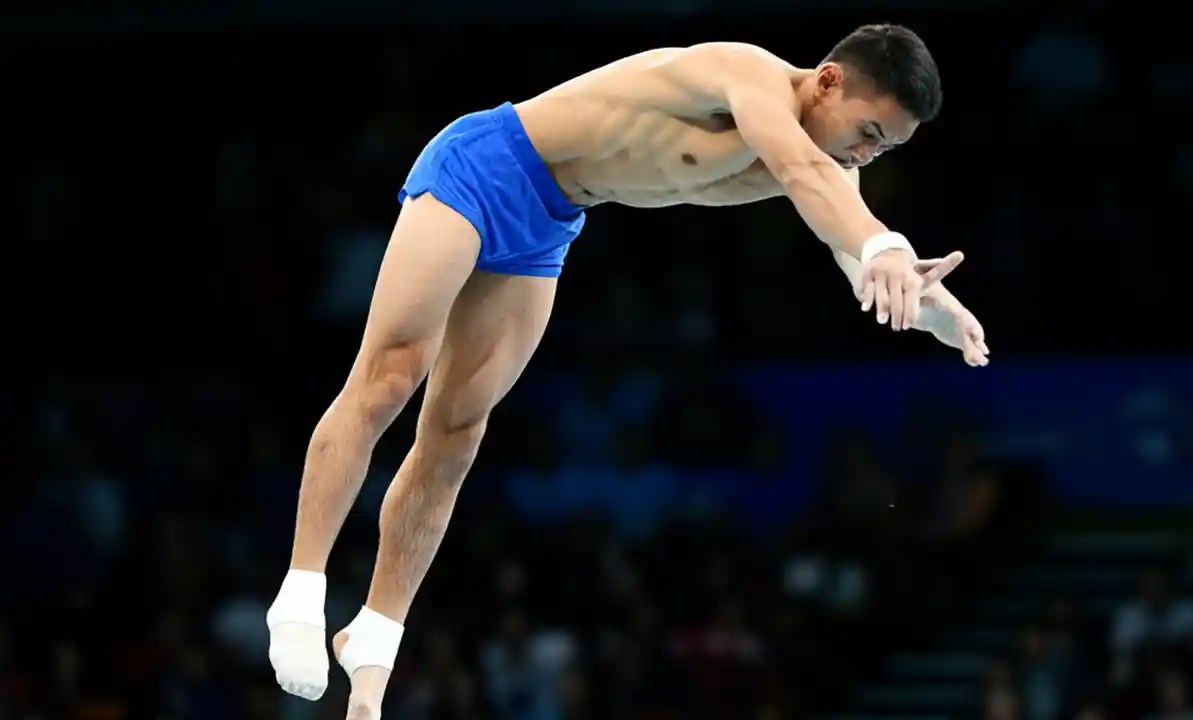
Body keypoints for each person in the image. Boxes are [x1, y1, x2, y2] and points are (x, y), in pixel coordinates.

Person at [265, 23, 990, 718]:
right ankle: (300, 593)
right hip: (488, 165)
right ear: (828, 82)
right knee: (391, 377)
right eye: (869, 132)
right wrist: (883, 245)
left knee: (457, 432)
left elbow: (849, 241)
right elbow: (809, 179)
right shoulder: (748, 75)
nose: (868, 154)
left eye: (886, 147)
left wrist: (937, 310)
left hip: (550, 219)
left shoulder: (833, 173)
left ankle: (375, 636)